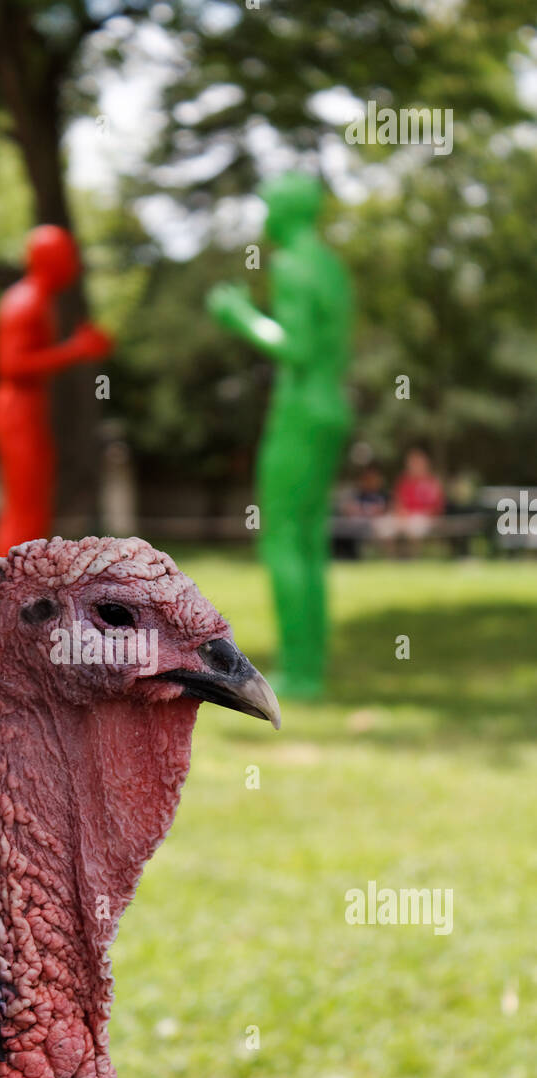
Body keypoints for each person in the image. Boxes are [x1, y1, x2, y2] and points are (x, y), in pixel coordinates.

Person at [207, 172, 353, 700]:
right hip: (332, 405)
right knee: (310, 540)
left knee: (284, 538)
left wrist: (241, 315)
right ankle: (310, 664)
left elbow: (296, 348)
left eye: (268, 204)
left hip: (300, 409)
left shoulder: (293, 264)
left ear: (287, 210)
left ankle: (299, 670)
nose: (263, 214)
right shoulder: (332, 266)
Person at [0, 225, 112, 560]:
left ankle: (17, 591)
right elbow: (9, 365)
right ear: (49, 258)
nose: (75, 262)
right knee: (25, 508)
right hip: (16, 408)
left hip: (26, 407)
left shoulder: (37, 299)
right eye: (69, 254)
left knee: (32, 506)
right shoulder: (26, 301)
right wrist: (75, 350)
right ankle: (7, 594)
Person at [375, 446, 446, 552]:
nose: (414, 466)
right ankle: (391, 560)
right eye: (411, 463)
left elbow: (436, 508)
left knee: (415, 526)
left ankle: (413, 559)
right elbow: (397, 502)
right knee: (384, 525)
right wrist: (402, 514)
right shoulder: (403, 481)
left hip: (423, 519)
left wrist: (413, 516)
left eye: (417, 462)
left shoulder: (432, 482)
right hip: (403, 517)